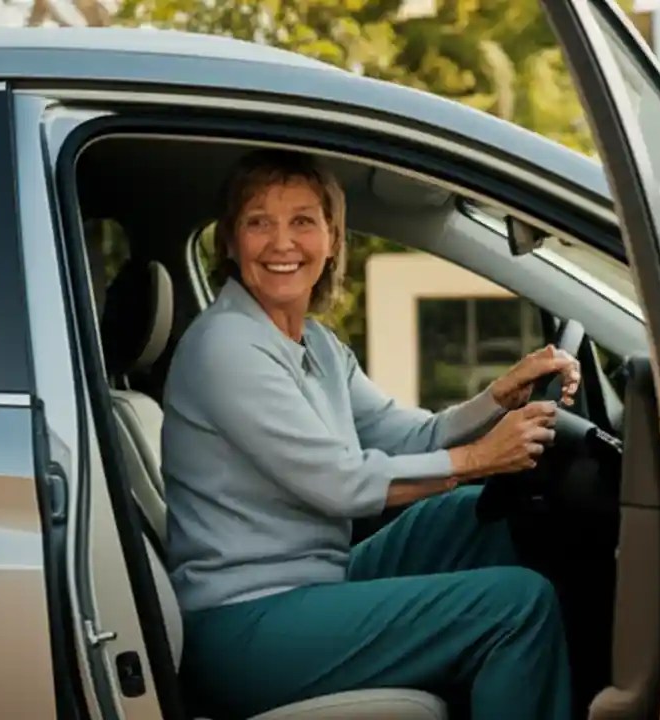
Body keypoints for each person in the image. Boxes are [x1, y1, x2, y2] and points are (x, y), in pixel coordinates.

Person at [162, 149, 580, 720]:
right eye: (258, 222)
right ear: (231, 244)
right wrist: (481, 457)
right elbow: (342, 484)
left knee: (471, 513)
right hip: (246, 629)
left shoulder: (316, 346)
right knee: (518, 606)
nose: (282, 243)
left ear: (332, 239)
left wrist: (497, 398)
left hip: (312, 586)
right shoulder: (227, 347)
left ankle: (494, 676)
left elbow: (412, 437)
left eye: (303, 221)